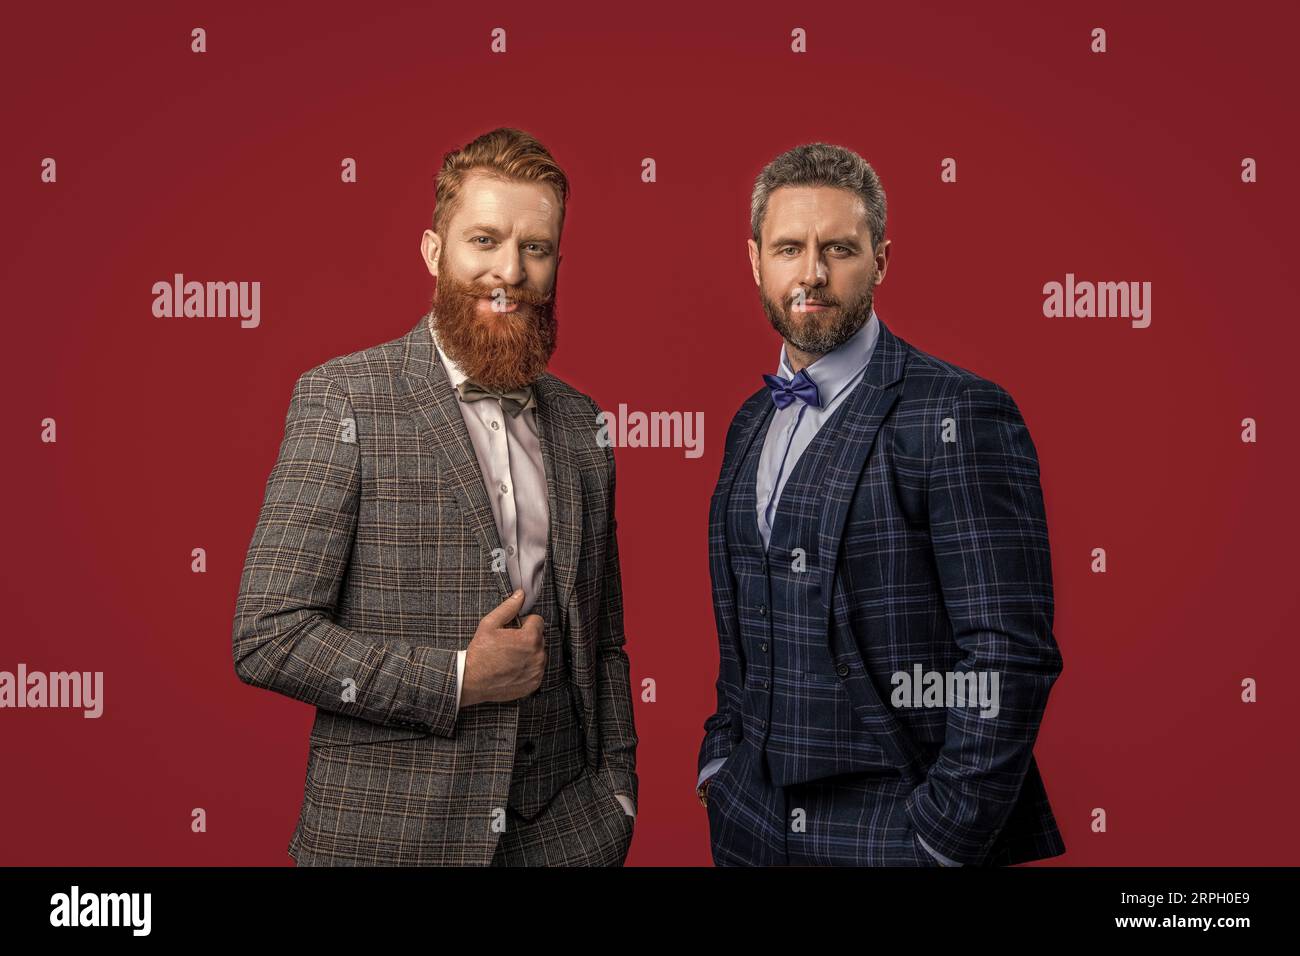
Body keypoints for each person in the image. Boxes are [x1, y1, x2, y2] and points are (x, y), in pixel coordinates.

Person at [233, 127, 637, 866]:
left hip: (562, 839)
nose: (508, 271)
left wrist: (616, 795)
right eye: (484, 240)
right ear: (434, 251)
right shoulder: (344, 397)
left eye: (535, 248)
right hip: (387, 840)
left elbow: (602, 642)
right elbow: (268, 635)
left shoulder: (584, 423)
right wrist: (456, 680)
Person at [697, 142, 1064, 867]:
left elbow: (1009, 651)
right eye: (789, 249)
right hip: (749, 820)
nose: (811, 274)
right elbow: (743, 622)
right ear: (754, 261)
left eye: (838, 248)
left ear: (882, 260)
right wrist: (721, 762)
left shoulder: (959, 410)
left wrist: (944, 835)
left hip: (895, 828)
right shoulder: (749, 421)